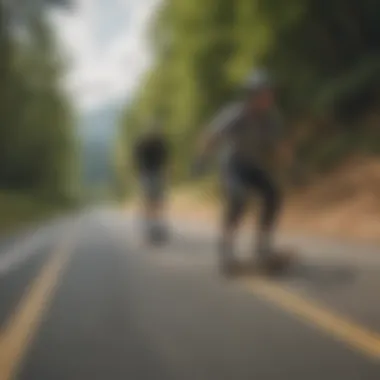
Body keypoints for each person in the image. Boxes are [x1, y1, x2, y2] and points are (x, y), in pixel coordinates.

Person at [193, 69, 292, 274]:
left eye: (270, 93)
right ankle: (226, 250)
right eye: (265, 93)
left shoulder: (270, 118)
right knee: (238, 198)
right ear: (252, 95)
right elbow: (211, 135)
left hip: (253, 165)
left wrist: (289, 165)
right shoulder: (236, 113)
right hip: (233, 165)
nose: (269, 97)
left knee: (273, 194)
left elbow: (279, 146)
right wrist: (201, 159)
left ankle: (262, 246)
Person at [133, 122, 169, 243]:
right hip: (147, 174)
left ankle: (155, 227)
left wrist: (165, 174)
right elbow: (137, 159)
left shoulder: (160, 144)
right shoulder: (144, 144)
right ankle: (150, 228)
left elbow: (165, 160)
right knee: (150, 201)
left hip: (155, 173)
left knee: (157, 202)